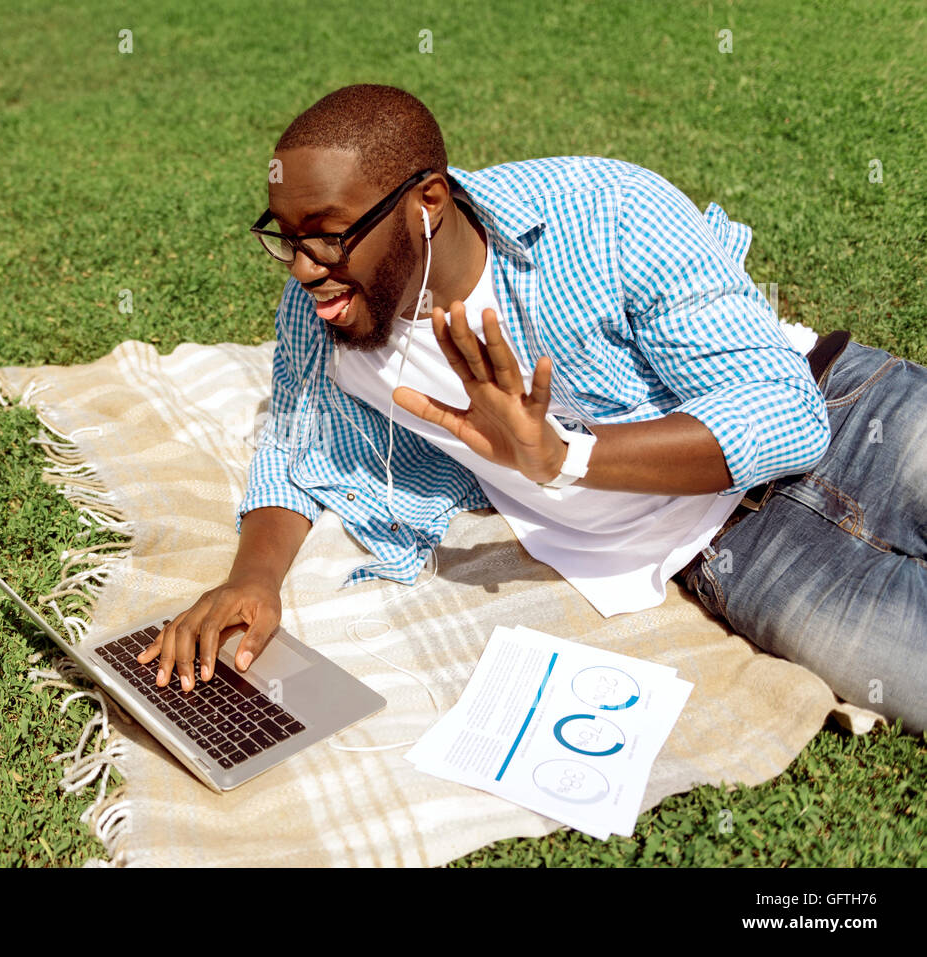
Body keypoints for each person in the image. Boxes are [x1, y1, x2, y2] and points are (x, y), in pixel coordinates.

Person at [137, 84, 927, 735]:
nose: (305, 269)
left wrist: (562, 458)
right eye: (286, 237)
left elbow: (789, 416)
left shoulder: (605, 213)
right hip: (735, 556)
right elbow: (297, 441)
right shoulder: (323, 316)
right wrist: (252, 579)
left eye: (331, 236)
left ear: (428, 202)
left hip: (852, 412)